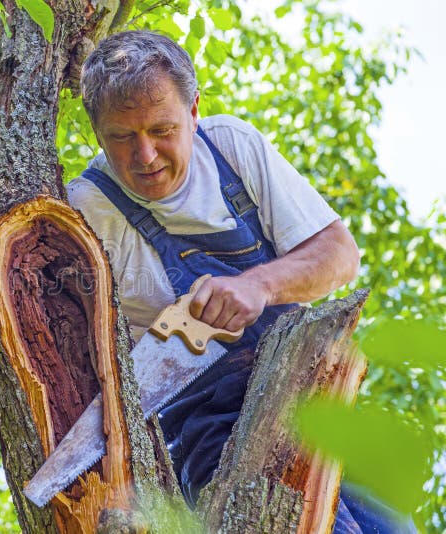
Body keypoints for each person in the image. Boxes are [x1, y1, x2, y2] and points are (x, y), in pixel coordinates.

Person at [67, 30, 415, 533]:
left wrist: (258, 286)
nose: (145, 156)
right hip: (212, 436)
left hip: (316, 401)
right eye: (123, 137)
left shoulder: (231, 148)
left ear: (193, 111)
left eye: (162, 130)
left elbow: (339, 255)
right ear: (97, 131)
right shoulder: (86, 211)